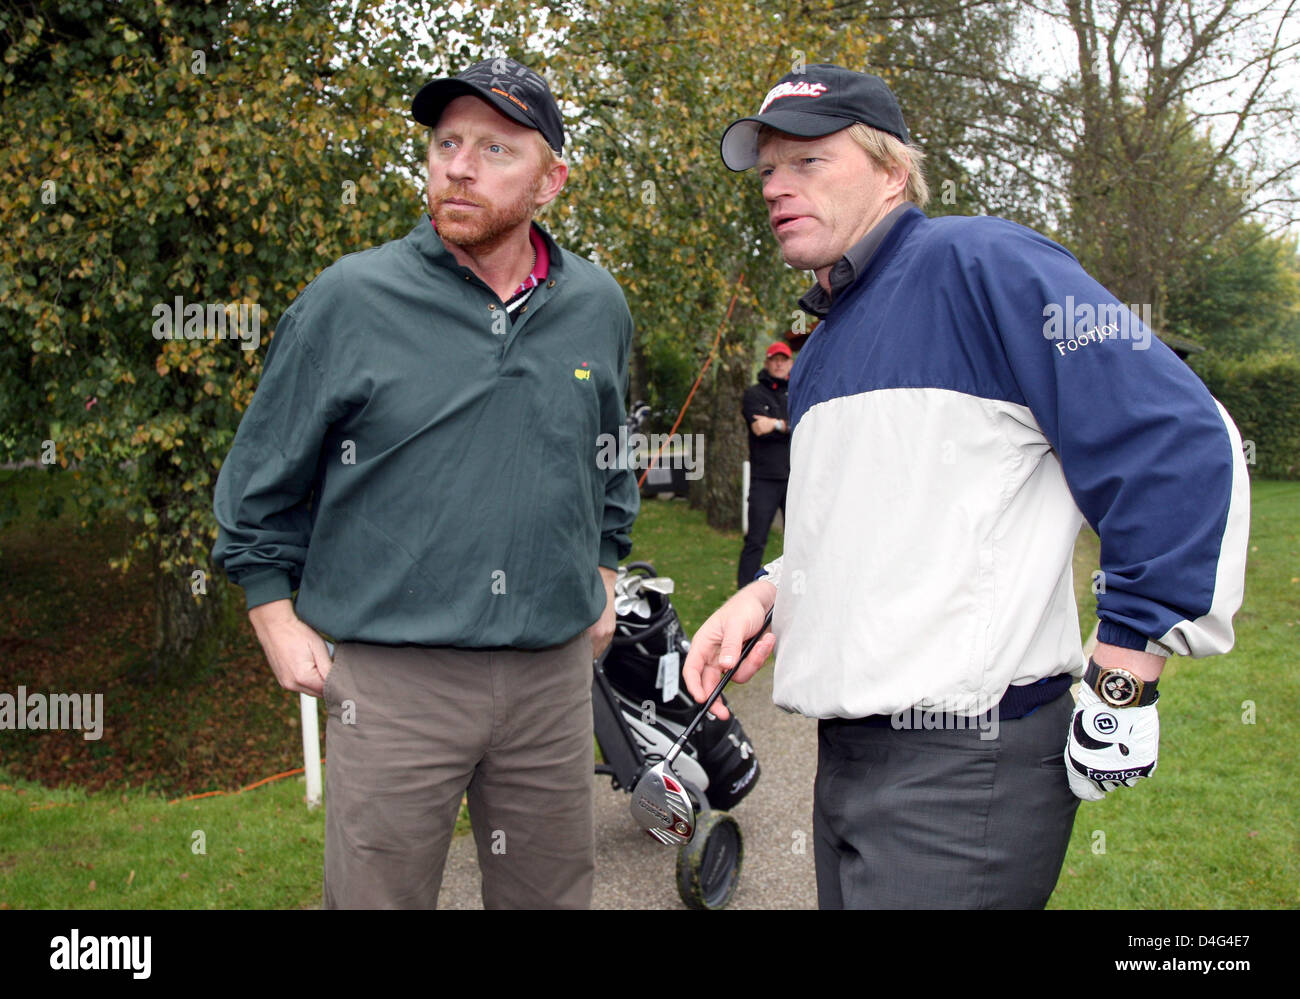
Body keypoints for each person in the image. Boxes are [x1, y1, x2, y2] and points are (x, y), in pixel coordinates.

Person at [683, 64, 1249, 909]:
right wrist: (769, 592)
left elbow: (1182, 435)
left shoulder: (980, 263)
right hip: (849, 758)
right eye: (767, 168)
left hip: (965, 770)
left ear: (892, 170)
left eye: (808, 161)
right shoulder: (825, 337)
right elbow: (884, 514)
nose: (776, 187)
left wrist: (1126, 670)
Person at [211, 57, 638, 909]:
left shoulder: (598, 304)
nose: (459, 166)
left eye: (495, 148)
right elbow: (260, 476)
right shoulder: (351, 298)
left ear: (553, 180)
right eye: (446, 142)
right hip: (395, 684)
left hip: (551, 680)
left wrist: (602, 569)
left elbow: (610, 457)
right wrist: (270, 609)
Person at [738, 341, 792, 588]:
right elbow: (759, 427)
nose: (779, 363)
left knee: (799, 540)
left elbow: (805, 424)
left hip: (795, 479)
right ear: (767, 362)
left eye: (784, 359)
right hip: (764, 479)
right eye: (774, 359)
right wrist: (786, 425)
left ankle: (796, 592)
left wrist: (776, 424)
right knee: (756, 541)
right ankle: (743, 596)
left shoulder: (798, 391)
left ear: (790, 363)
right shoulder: (754, 394)